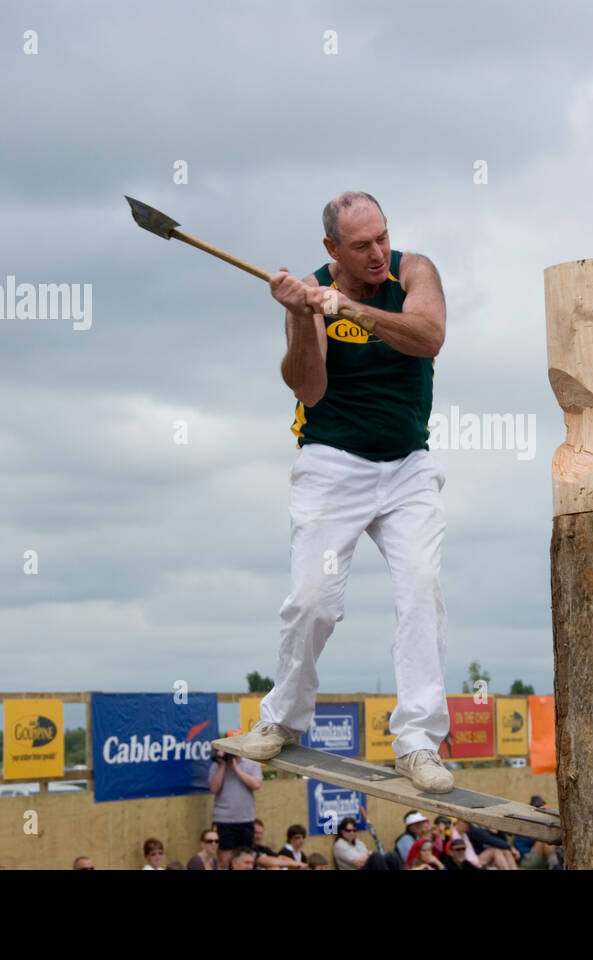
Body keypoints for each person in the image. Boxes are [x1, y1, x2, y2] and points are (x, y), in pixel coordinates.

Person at [221, 192, 453, 795]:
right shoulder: (311, 294)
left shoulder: (414, 271)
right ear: (332, 250)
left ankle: (419, 743)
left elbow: (428, 336)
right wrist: (303, 316)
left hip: (408, 466)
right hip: (332, 464)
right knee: (313, 600)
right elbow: (309, 389)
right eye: (360, 246)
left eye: (382, 237)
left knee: (422, 592)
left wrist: (350, 306)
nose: (377, 253)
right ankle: (282, 721)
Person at [209, 733, 262, 869]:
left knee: (245, 858)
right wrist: (222, 766)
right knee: (225, 861)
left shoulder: (251, 763)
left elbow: (256, 784)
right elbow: (213, 788)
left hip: (245, 819)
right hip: (224, 820)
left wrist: (235, 769)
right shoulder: (217, 765)